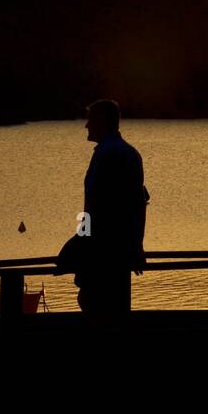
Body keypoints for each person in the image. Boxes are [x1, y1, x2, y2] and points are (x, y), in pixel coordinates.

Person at [75, 100, 148, 315]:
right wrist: (136, 244)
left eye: (90, 120)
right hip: (121, 250)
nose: (86, 126)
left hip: (102, 251)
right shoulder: (130, 154)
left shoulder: (106, 155)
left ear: (102, 121)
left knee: (94, 305)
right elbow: (138, 204)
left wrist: (82, 240)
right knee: (116, 307)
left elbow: (93, 206)